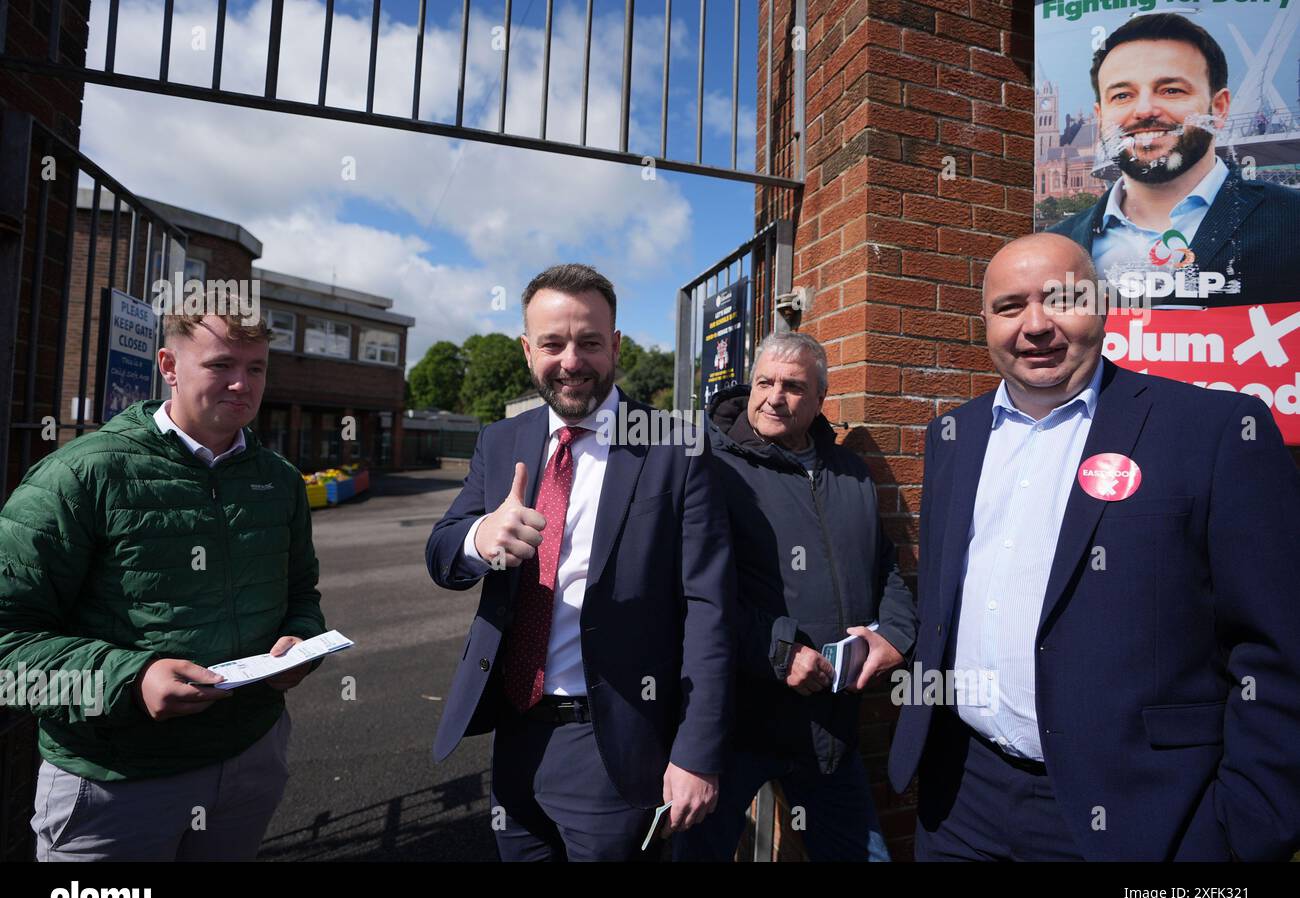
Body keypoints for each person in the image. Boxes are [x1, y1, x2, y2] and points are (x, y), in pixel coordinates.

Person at [888, 232, 1300, 861]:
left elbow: (1275, 648)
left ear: (1104, 305)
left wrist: (1246, 826)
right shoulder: (953, 434)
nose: (1036, 326)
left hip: (1142, 812)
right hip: (961, 798)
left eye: (1062, 299)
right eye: (1009, 307)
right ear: (985, 322)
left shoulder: (1213, 432)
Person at [426, 263, 734, 861]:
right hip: (515, 731)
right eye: (552, 343)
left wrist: (697, 750)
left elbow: (709, 609)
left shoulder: (677, 447)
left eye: (589, 342)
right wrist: (480, 538)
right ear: (526, 350)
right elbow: (442, 554)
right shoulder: (501, 440)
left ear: (615, 345)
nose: (571, 361)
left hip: (616, 744)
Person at [0, 296, 325, 861]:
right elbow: (9, 647)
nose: (241, 385)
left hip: (250, 759)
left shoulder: (280, 480)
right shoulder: (80, 475)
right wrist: (133, 679)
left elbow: (301, 595)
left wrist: (301, 640)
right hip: (114, 781)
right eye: (221, 365)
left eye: (255, 368)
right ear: (169, 367)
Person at [673, 332, 917, 862]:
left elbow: (885, 566)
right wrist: (778, 652)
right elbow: (688, 592)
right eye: (765, 381)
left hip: (826, 732)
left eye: (793, 386)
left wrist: (893, 635)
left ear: (820, 400)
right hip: (733, 725)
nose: (774, 397)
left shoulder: (849, 472)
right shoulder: (708, 467)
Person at [1049, 12, 1300, 306]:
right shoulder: (1059, 245)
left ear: (1219, 108)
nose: (1144, 110)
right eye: (1122, 95)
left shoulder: (1291, 222)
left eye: (1170, 90)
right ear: (1100, 116)